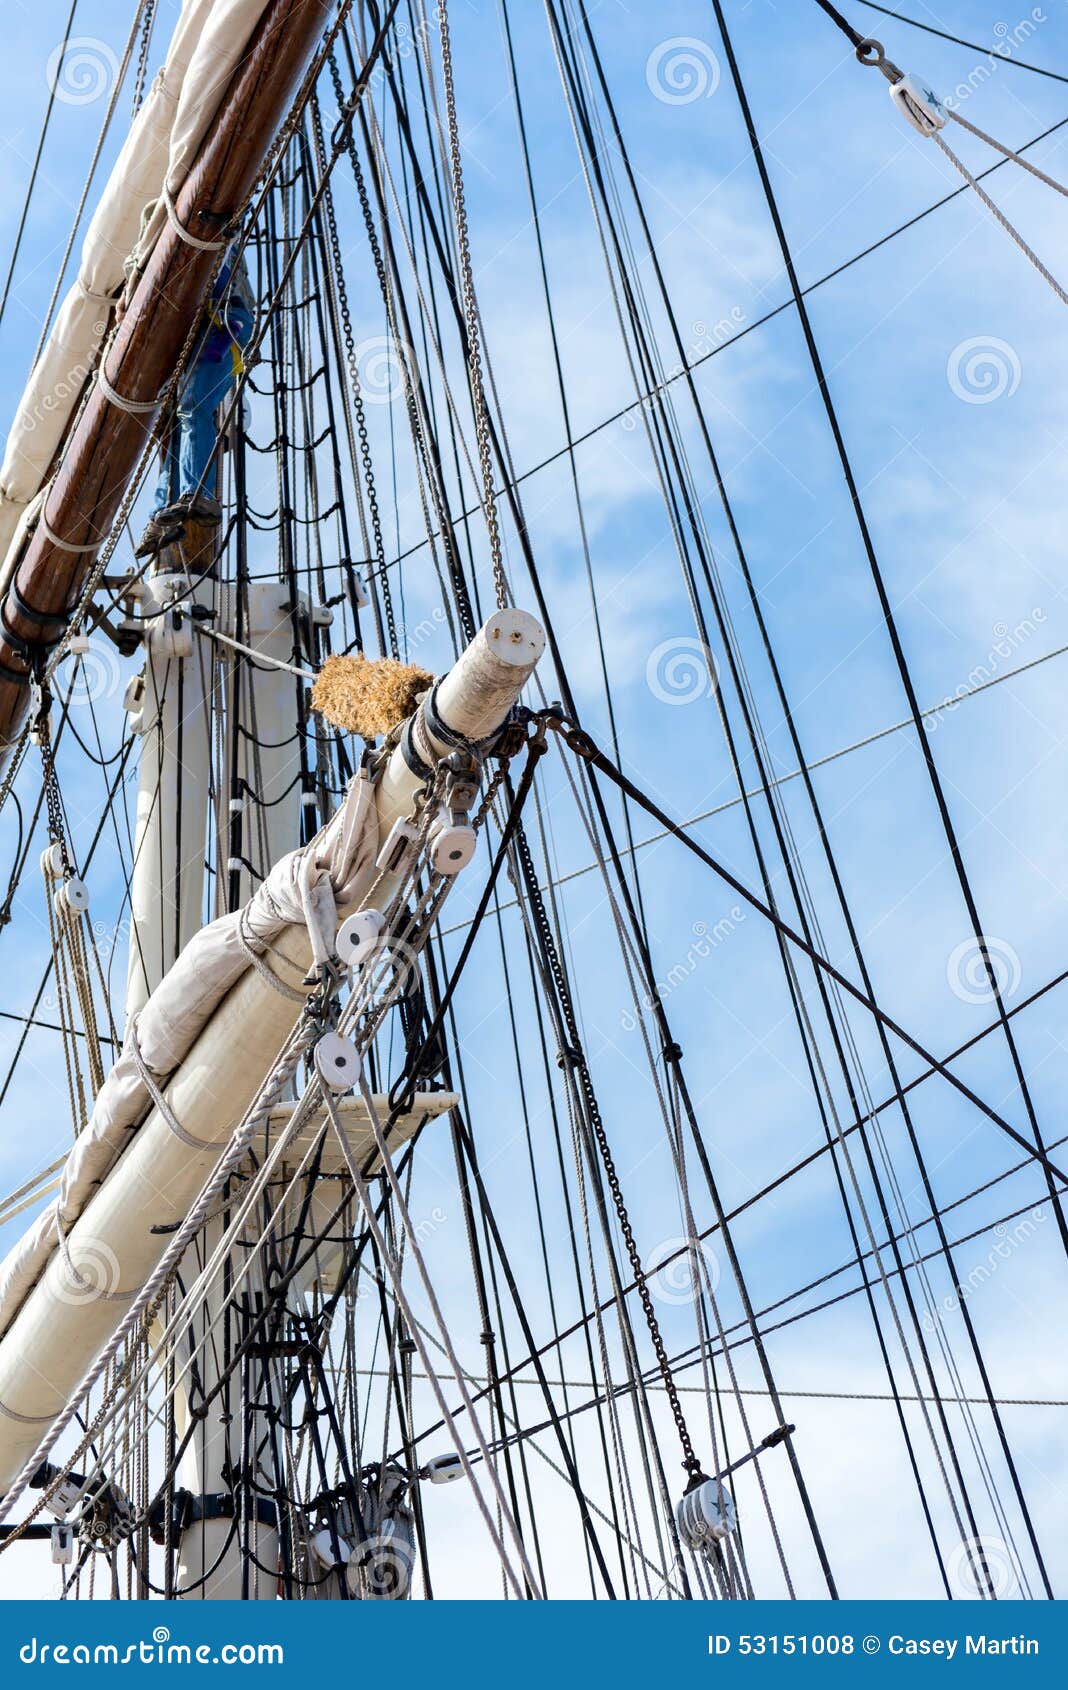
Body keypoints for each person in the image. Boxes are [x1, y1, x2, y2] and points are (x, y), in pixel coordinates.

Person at [136, 246, 255, 558]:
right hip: (207, 333)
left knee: (192, 409)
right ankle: (161, 514)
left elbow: (206, 272)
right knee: (178, 427)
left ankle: (199, 494)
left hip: (226, 326)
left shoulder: (214, 253)